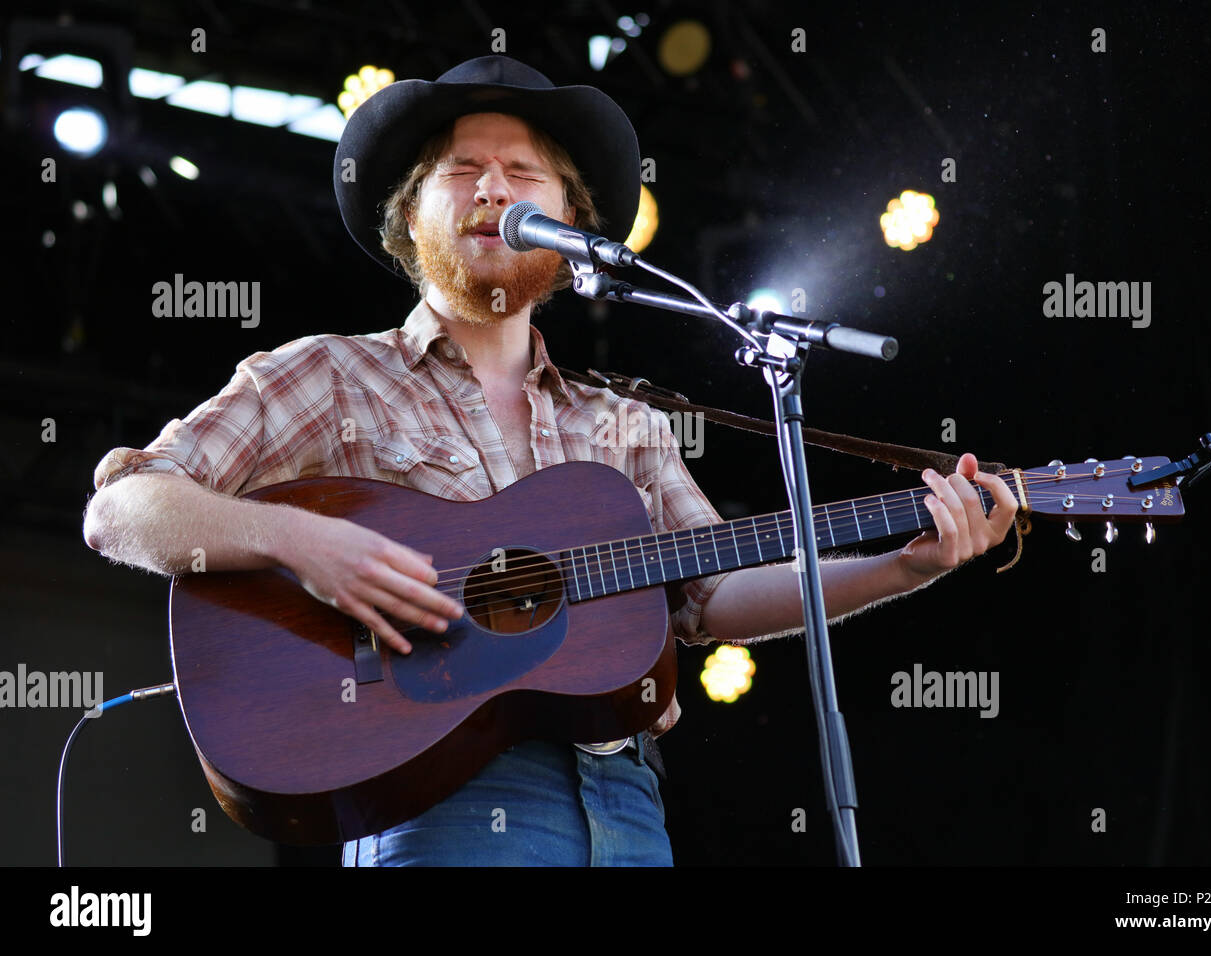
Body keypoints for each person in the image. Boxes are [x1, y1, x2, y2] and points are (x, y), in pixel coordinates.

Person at [82, 55, 1018, 866]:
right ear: (412, 218)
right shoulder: (331, 375)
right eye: (464, 170)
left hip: (630, 805)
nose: (495, 188)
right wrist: (300, 542)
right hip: (434, 804)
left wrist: (906, 562)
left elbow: (708, 599)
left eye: (523, 172)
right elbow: (121, 508)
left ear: (570, 228)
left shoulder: (626, 422)